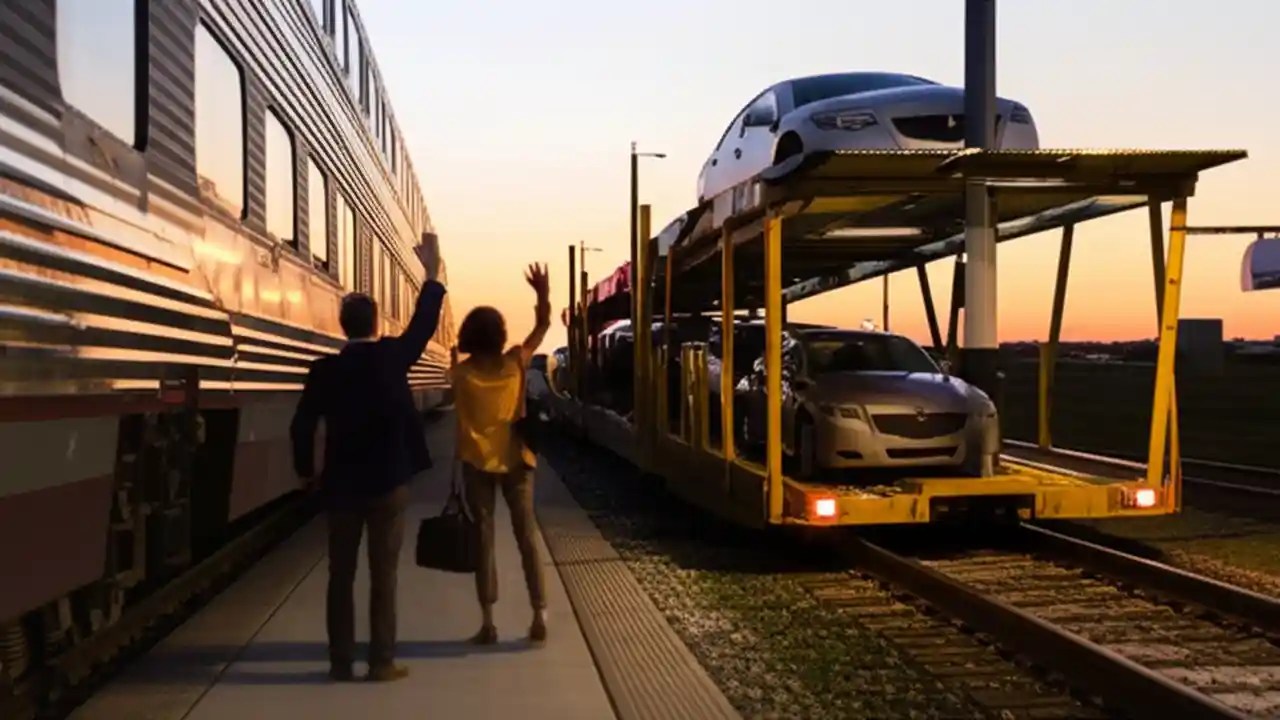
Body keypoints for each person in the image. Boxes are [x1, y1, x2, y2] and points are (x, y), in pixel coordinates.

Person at [290, 233, 447, 683]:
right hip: (388, 483)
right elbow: (423, 324)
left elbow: (301, 425)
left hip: (340, 486)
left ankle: (340, 661)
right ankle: (382, 661)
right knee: (384, 574)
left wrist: (305, 472)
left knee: (340, 576)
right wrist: (432, 275)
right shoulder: (391, 357)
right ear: (376, 324)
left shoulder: (324, 372)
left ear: (342, 327)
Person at [451, 263, 551, 645]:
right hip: (518, 461)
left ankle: (488, 622)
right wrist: (541, 293)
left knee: (484, 541)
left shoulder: (460, 375)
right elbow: (541, 328)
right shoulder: (515, 363)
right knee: (527, 536)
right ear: (501, 335)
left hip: (477, 464)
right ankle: (539, 613)